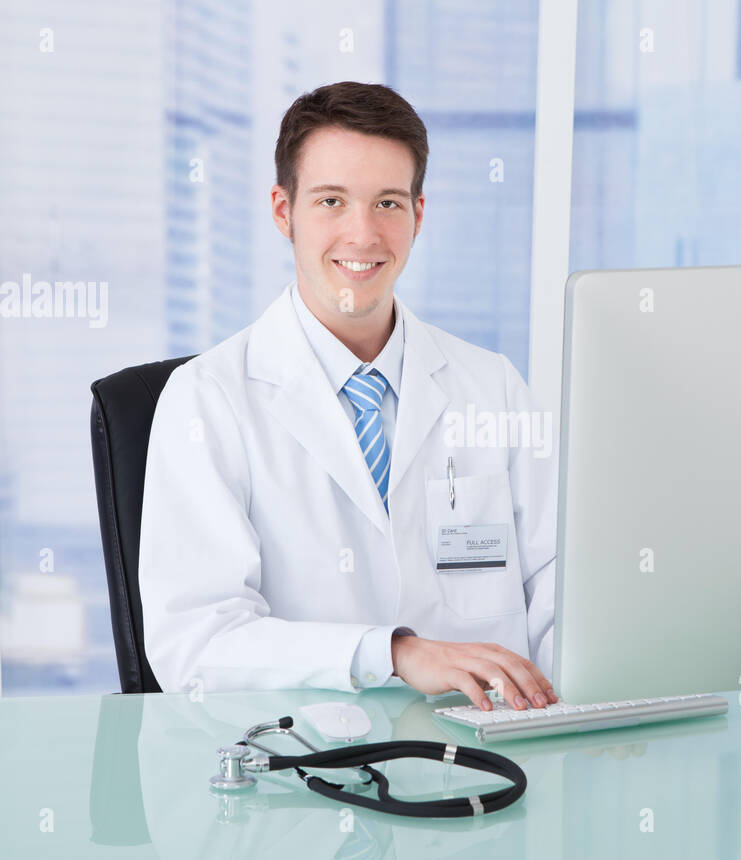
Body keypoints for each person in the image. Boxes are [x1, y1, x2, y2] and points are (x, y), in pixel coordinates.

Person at [139, 81, 558, 713]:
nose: (362, 234)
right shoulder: (207, 400)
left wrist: (576, 707)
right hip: (303, 773)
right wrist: (392, 653)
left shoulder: (492, 386)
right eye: (331, 201)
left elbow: (561, 587)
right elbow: (196, 644)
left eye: (388, 202)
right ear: (284, 211)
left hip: (493, 760)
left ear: (419, 215)